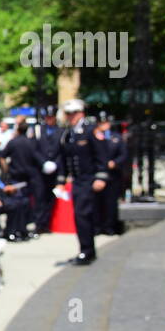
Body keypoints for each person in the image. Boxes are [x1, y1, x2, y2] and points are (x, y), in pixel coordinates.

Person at [58, 99, 106, 266]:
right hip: (78, 180)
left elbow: (101, 155)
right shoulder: (69, 133)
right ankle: (85, 249)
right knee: (80, 216)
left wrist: (101, 177)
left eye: (73, 113)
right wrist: (61, 180)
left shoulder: (90, 130)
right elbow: (64, 158)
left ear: (81, 113)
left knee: (83, 215)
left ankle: (87, 251)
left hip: (89, 179)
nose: (70, 117)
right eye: (68, 114)